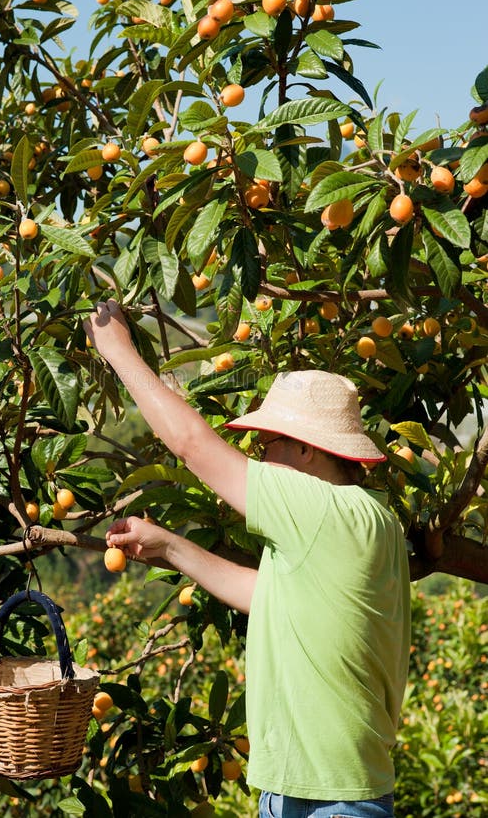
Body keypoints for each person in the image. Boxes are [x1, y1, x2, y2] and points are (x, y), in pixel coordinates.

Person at [84, 299, 411, 818]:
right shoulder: (367, 520)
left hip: (334, 801)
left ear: (307, 450)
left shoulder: (324, 510)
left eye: (268, 443)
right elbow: (270, 596)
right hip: (306, 791)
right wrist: (171, 546)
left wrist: (117, 348)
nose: (258, 457)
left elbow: (192, 444)